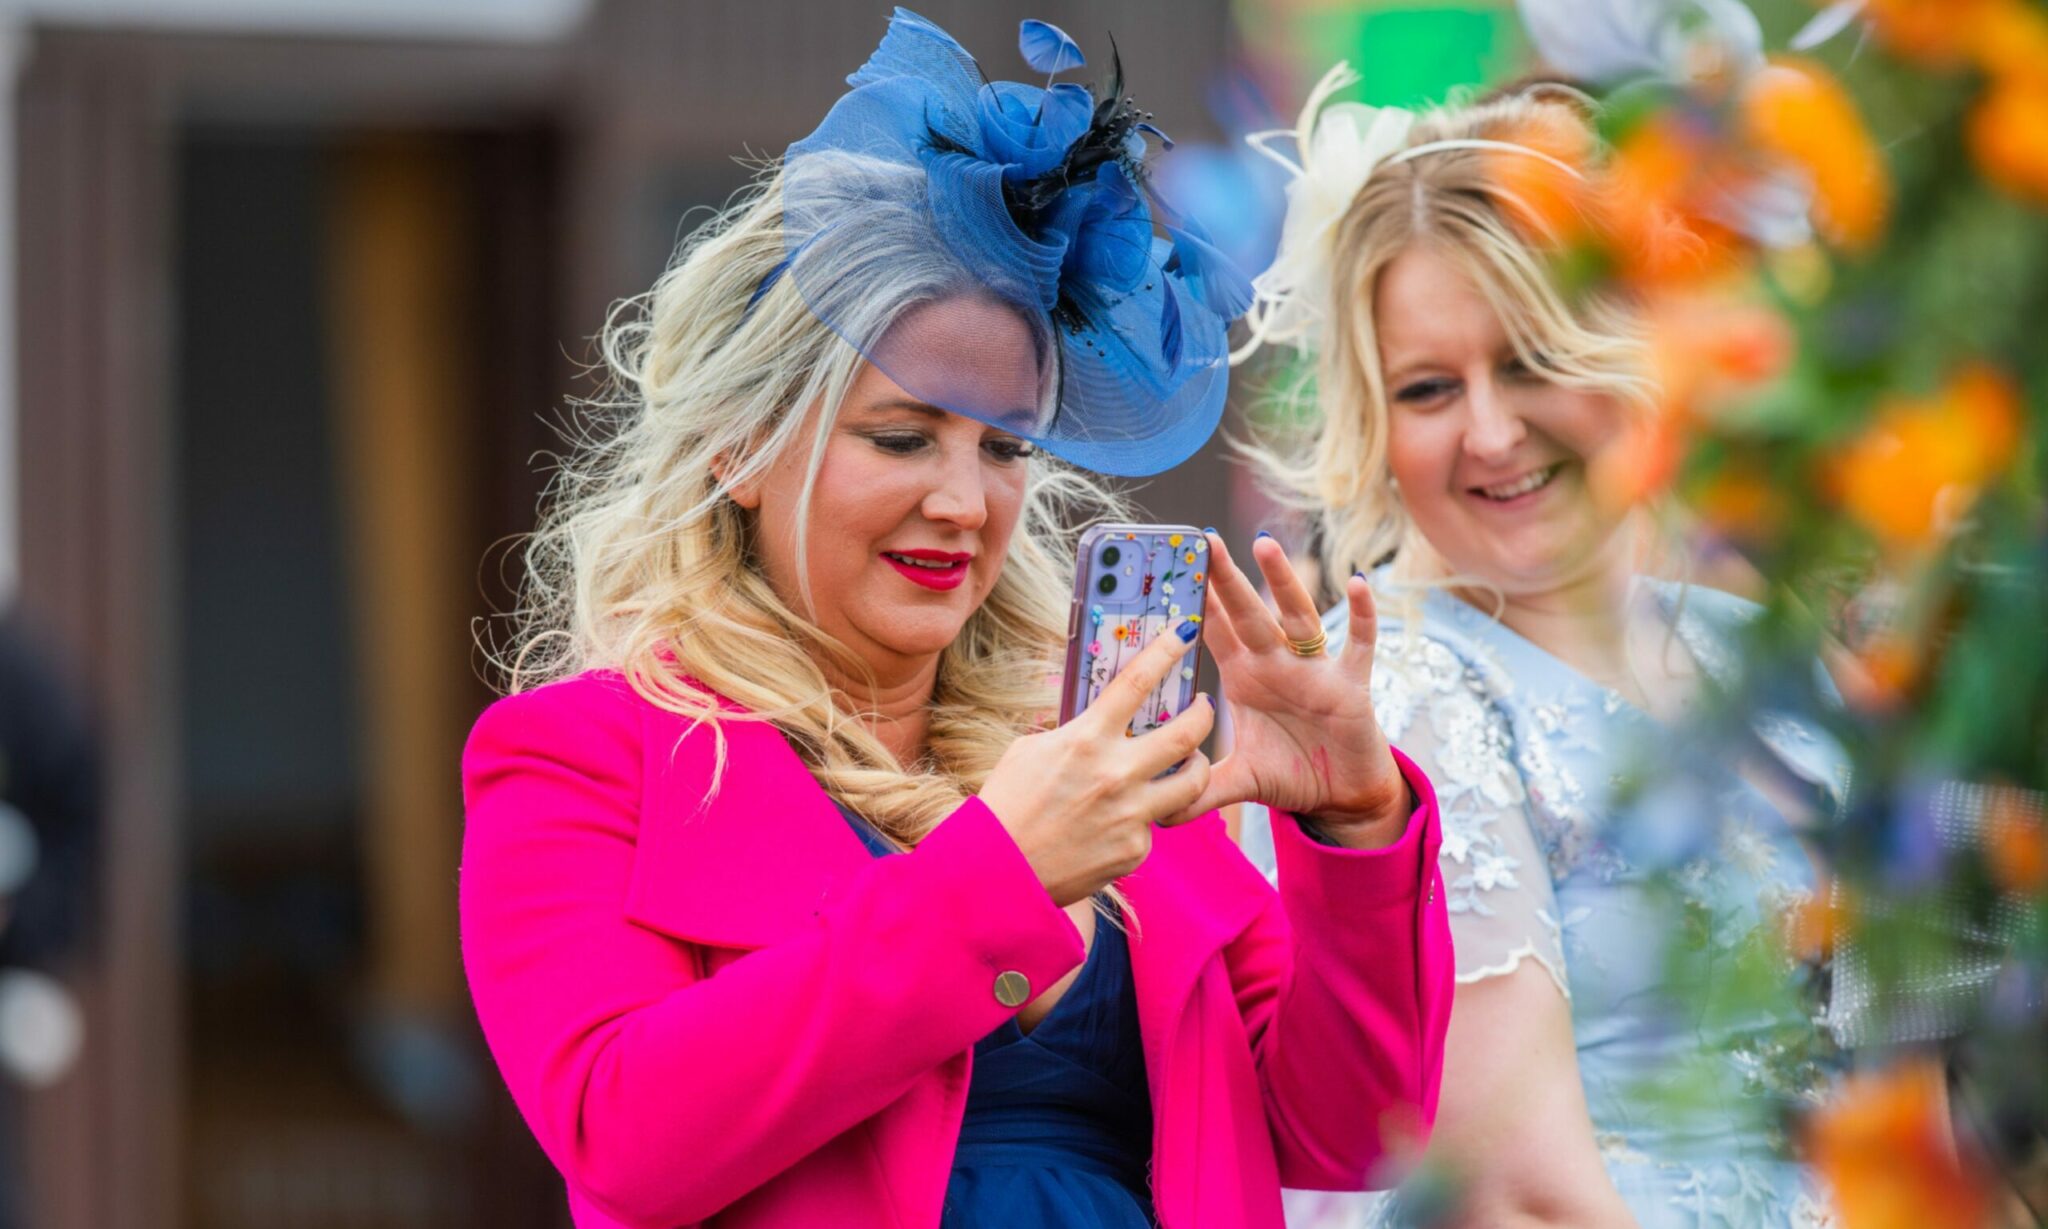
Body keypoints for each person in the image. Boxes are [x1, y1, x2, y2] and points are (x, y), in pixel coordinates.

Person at [459, 13, 1452, 1229]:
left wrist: (1352, 828)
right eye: (900, 436)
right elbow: (622, 1133)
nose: (961, 500)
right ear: (739, 446)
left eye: (1002, 449)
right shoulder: (580, 755)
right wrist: (998, 873)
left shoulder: (1095, 745)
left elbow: (1350, 1132)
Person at [1233, 70, 1848, 1228]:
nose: (1489, 430)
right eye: (1427, 388)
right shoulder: (1404, 697)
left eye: (1526, 361)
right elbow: (1513, 1193)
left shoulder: (1747, 649)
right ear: (1373, 425)